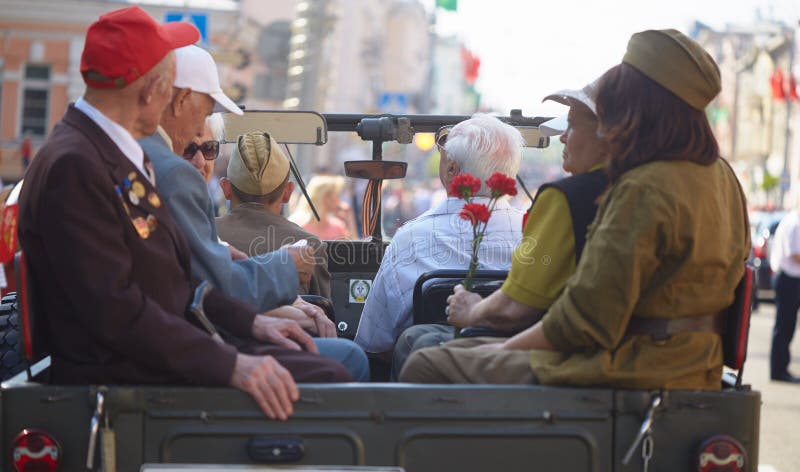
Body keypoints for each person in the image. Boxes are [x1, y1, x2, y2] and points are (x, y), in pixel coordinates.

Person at [17, 6, 350, 421]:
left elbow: (169, 281)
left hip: (150, 355)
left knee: (323, 366)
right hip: (123, 376)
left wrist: (251, 324)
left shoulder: (102, 153)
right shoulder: (77, 164)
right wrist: (231, 364)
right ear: (151, 91)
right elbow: (117, 312)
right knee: (331, 377)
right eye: (167, 82)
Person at [401, 29, 750, 391]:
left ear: (641, 106)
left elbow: (583, 320)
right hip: (695, 366)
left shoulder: (644, 187)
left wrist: (501, 347)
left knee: (425, 363)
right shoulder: (722, 176)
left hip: (630, 368)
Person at [138, 45, 368, 381]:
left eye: (210, 149)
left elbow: (191, 287)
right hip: (189, 346)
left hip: (185, 335)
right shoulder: (172, 175)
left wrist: (268, 315)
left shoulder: (148, 166)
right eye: (192, 146)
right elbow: (210, 287)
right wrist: (286, 268)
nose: (200, 161)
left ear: (227, 189)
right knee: (349, 357)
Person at [391, 79, 609, 379]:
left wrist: (472, 311)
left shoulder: (565, 198)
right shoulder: (635, 189)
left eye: (572, 127)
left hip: (576, 356)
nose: (563, 139)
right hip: (602, 349)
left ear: (608, 134)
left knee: (421, 362)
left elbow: (520, 309)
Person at [355, 113, 525, 363]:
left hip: (427, 379)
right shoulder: (534, 234)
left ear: (452, 170)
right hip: (511, 374)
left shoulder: (411, 238)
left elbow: (373, 342)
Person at [216, 131, 332, 299]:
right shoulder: (310, 246)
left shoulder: (202, 234)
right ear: (288, 193)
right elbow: (324, 312)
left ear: (226, 188)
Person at [769, 207, 800, 383]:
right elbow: (794, 254)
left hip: (790, 278)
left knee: (787, 325)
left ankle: (781, 367)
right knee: (784, 325)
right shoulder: (794, 223)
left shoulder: (793, 220)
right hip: (788, 279)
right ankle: (779, 370)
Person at [289, 175, 356, 240]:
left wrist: (349, 220)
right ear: (326, 198)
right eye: (336, 195)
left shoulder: (338, 227)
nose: (339, 200)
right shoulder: (299, 227)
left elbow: (353, 249)